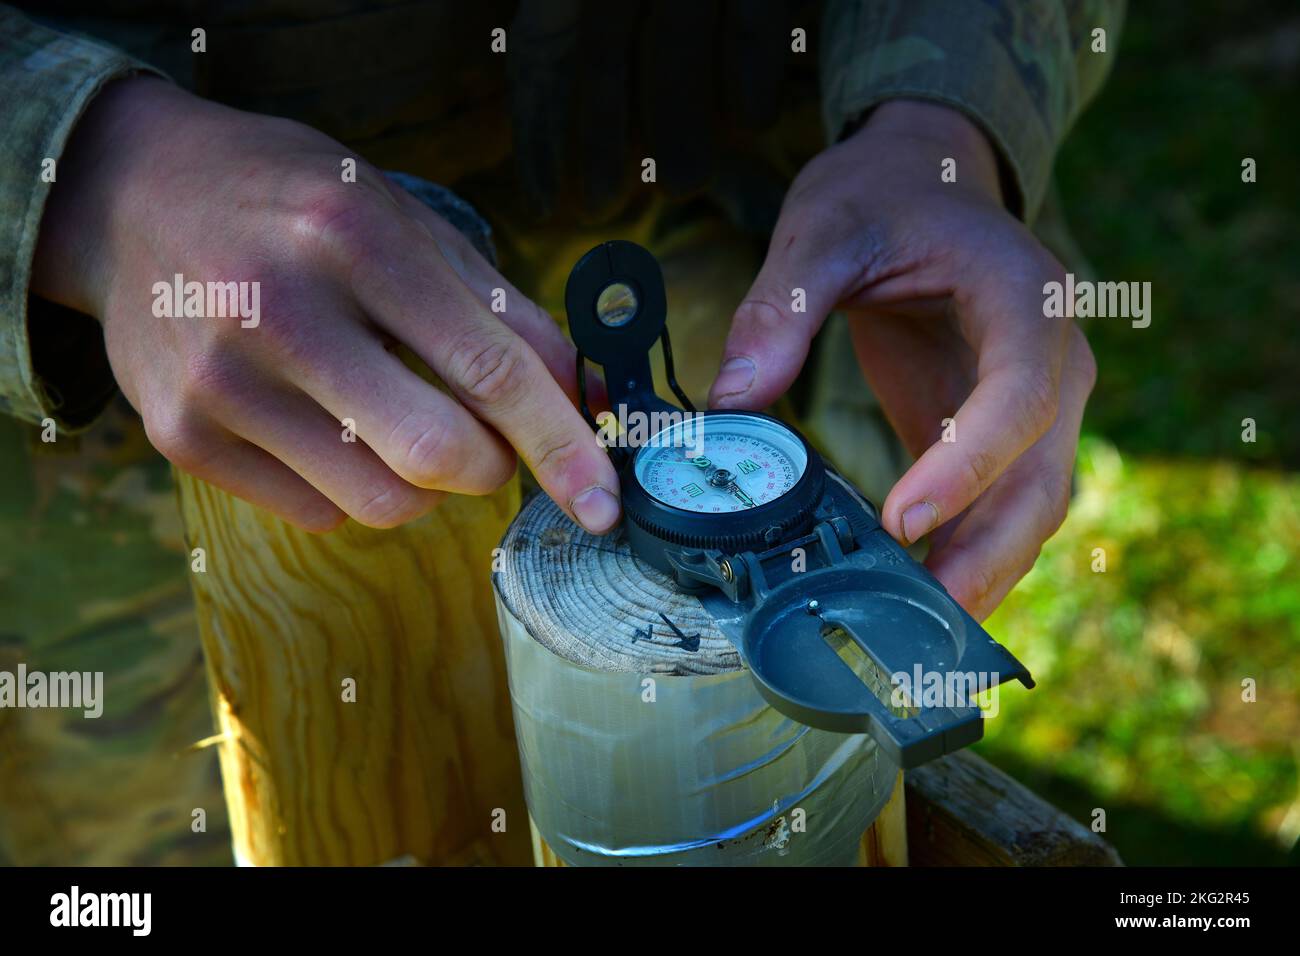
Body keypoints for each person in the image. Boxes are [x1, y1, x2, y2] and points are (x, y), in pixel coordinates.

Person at [0, 0, 1122, 864]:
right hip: (187, 369)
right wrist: (80, 167)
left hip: (768, 256)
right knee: (190, 828)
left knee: (788, 792)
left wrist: (941, 120)